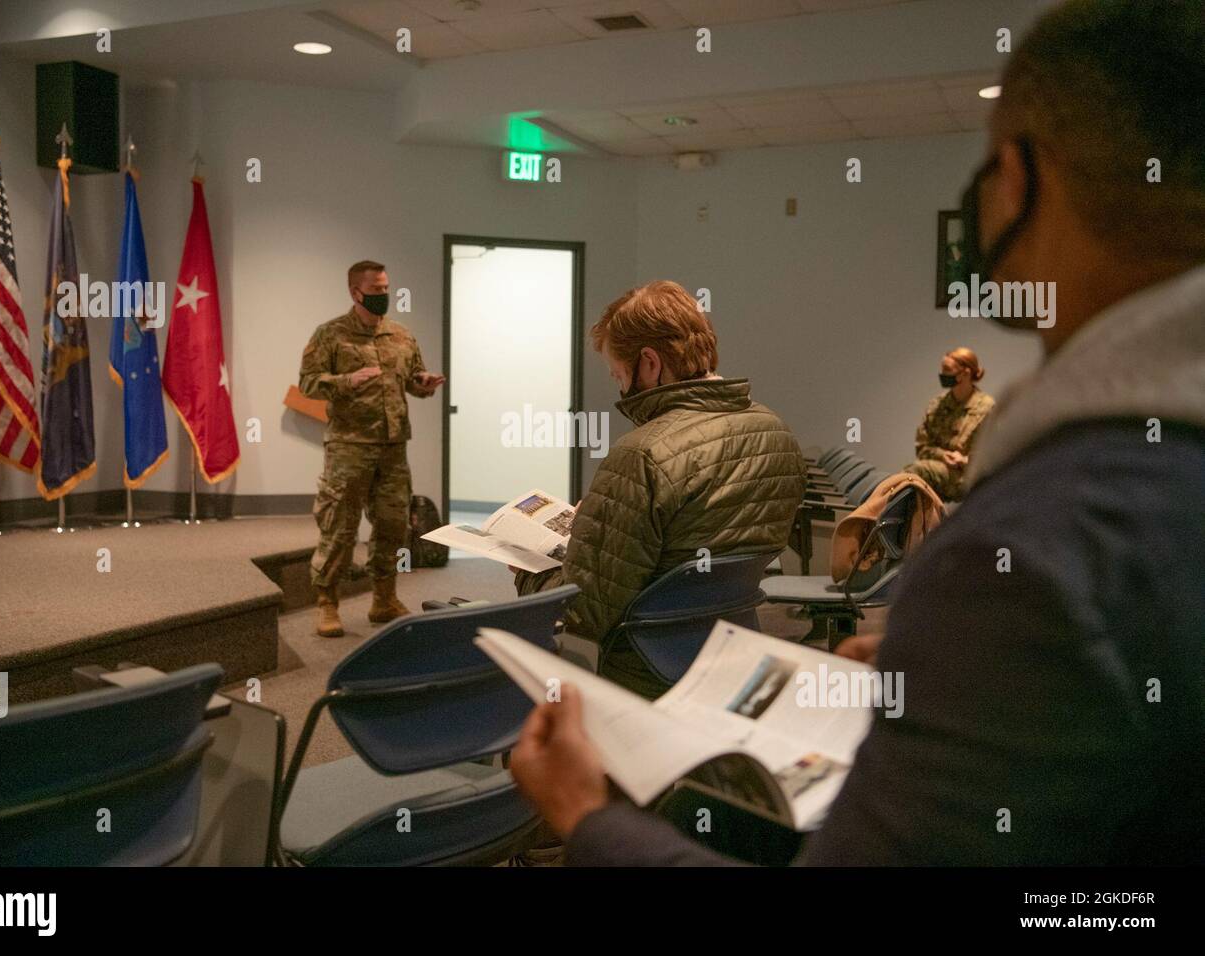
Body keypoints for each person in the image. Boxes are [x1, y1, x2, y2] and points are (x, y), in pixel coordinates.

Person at [510, 0, 1205, 865]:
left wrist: (589, 817)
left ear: (1018, 181)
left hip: (642, 674)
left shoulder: (1044, 544)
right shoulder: (772, 428)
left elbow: (594, 600)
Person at [515, 281, 806, 699]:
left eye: (618, 373)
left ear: (649, 363)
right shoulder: (775, 431)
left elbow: (584, 611)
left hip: (645, 667)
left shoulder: (642, 454)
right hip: (735, 649)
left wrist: (528, 570)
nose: (619, 387)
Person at [298, 260, 445, 637]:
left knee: (393, 525)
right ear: (355, 292)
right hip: (349, 447)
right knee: (339, 527)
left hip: (393, 447)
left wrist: (424, 383)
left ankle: (384, 598)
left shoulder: (401, 335)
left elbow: (412, 380)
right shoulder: (330, 335)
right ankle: (327, 603)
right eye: (377, 290)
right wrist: (348, 380)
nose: (384, 295)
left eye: (386, 288)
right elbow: (308, 385)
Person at [902, 347, 994, 501]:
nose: (942, 374)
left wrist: (964, 460)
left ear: (965, 373)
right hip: (936, 472)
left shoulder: (987, 408)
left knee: (915, 473)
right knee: (909, 484)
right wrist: (942, 455)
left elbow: (992, 454)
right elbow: (922, 446)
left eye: (947, 370)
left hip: (967, 478)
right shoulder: (936, 405)